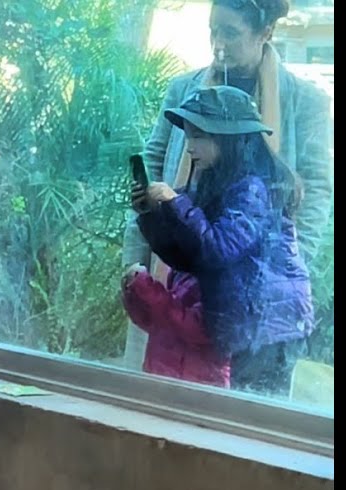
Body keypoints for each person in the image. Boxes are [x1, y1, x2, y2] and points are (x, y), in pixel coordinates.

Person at [120, 0, 332, 370]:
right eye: (213, 30)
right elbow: (156, 161)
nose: (217, 42)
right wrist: (146, 232)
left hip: (257, 300)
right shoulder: (184, 89)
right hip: (180, 269)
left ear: (265, 33)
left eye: (230, 33)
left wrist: (284, 267)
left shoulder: (305, 101)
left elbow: (316, 188)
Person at [131, 85, 313, 396]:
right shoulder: (212, 184)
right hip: (242, 323)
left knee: (254, 421)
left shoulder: (255, 188)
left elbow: (216, 249)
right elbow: (185, 256)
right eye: (189, 136)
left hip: (268, 328)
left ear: (229, 138)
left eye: (199, 136)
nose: (190, 147)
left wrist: (175, 201)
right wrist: (150, 214)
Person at [120, 261, 230, 388]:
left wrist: (145, 287)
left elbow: (197, 328)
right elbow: (155, 323)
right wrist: (133, 292)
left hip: (197, 391)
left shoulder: (228, 276)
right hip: (159, 381)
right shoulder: (182, 268)